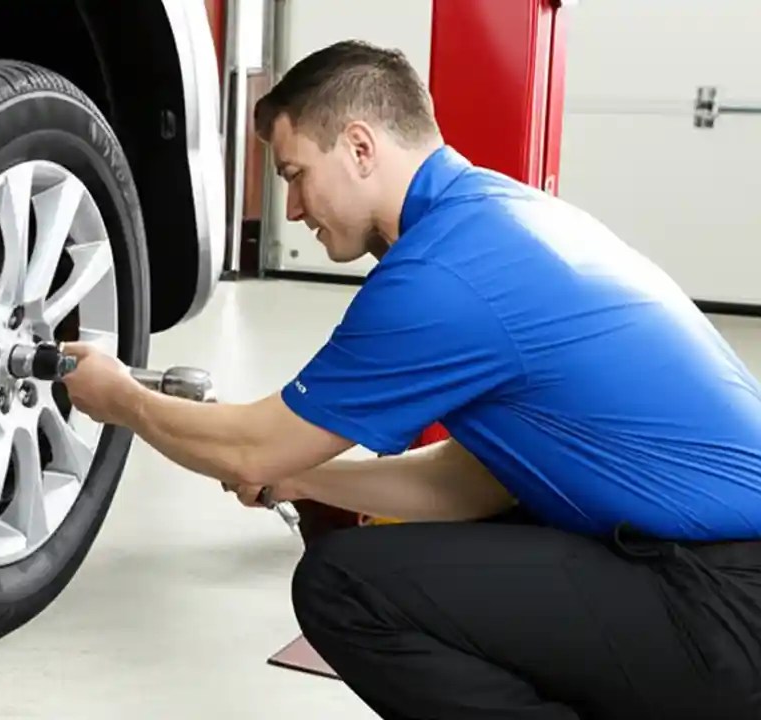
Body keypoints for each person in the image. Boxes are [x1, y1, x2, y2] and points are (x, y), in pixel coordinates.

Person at [58, 39, 761, 719]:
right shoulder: (503, 217)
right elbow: (474, 482)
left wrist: (122, 399)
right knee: (444, 535)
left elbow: (252, 449)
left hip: (723, 607)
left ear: (360, 148)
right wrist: (306, 480)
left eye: (294, 174)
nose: (293, 210)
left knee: (345, 586)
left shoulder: (440, 272)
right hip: (721, 580)